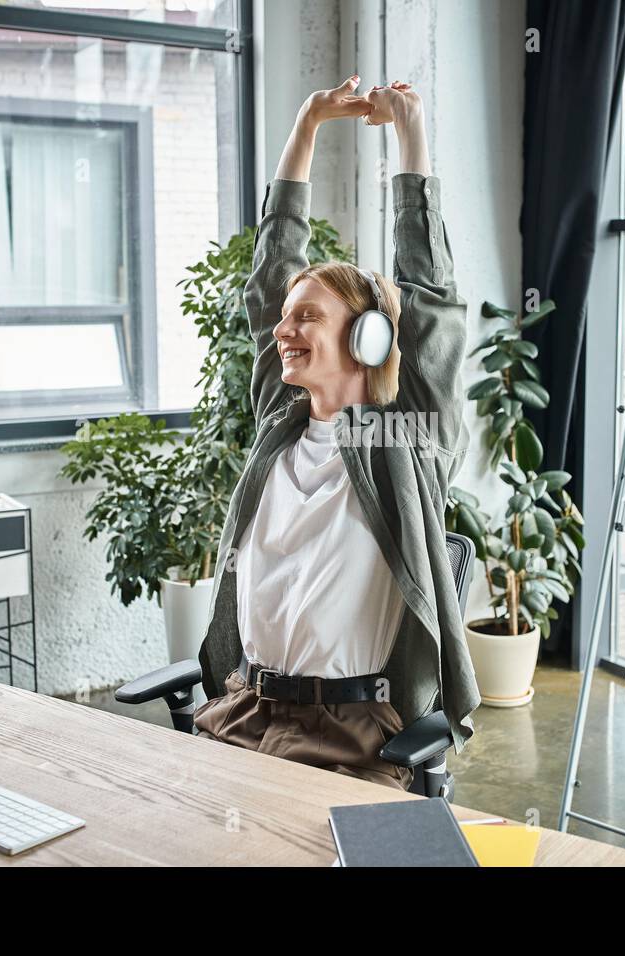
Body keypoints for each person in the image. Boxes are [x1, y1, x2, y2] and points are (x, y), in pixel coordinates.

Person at [193, 76, 479, 791]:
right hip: (242, 715)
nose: (284, 332)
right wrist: (306, 127)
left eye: (308, 319)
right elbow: (267, 283)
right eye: (286, 319)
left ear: (371, 340)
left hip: (352, 742)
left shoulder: (409, 435)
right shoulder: (279, 427)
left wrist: (411, 137)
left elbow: (433, 296)